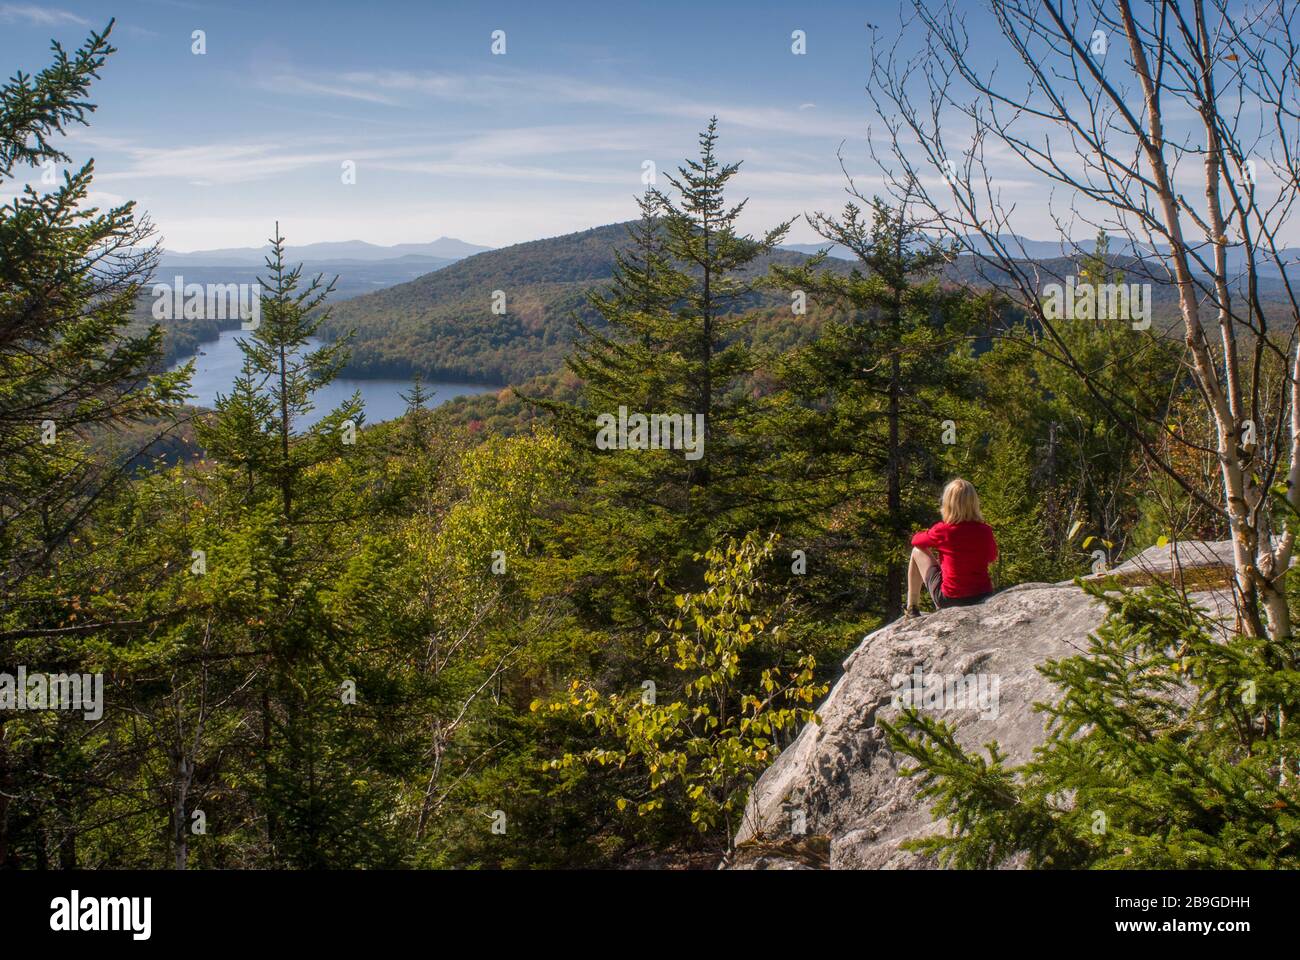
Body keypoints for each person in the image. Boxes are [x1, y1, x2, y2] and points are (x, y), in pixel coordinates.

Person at [905, 478, 997, 618]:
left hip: (950, 599)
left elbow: (916, 540)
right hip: (982, 596)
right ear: (974, 503)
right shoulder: (985, 531)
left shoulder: (944, 530)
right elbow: (992, 557)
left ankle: (912, 608)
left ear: (948, 504)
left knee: (917, 551)